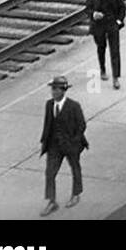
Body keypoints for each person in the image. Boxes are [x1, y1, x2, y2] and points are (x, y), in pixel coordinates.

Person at [39, 76, 88, 216]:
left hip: (70, 145)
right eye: (52, 89)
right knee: (50, 173)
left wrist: (74, 142)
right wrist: (45, 141)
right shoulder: (49, 105)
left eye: (56, 89)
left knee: (75, 168)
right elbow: (47, 123)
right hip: (54, 146)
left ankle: (76, 194)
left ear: (63, 90)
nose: (53, 92)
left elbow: (81, 125)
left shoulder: (74, 106)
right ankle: (52, 201)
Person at [85, 0, 125, 89]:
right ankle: (102, 69)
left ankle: (116, 78)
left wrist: (118, 22)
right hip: (98, 26)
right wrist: (93, 14)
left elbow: (122, 9)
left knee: (115, 51)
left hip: (112, 24)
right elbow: (87, 9)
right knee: (101, 47)